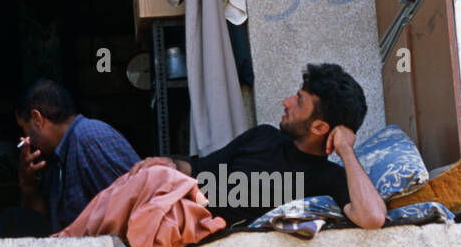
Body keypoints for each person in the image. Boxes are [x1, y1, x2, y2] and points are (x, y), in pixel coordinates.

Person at [132, 62, 386, 229]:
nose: (286, 102)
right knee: (136, 173)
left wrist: (346, 150)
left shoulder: (327, 178)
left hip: (202, 232)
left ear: (319, 128)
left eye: (299, 101)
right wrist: (168, 164)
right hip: (174, 205)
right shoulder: (263, 136)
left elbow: (372, 217)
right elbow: (200, 168)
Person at [0, 79, 141, 238]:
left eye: (24, 129)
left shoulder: (90, 136)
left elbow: (136, 203)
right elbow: (45, 224)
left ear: (37, 118)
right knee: (16, 219)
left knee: (12, 218)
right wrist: (28, 186)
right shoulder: (56, 162)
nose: (26, 138)